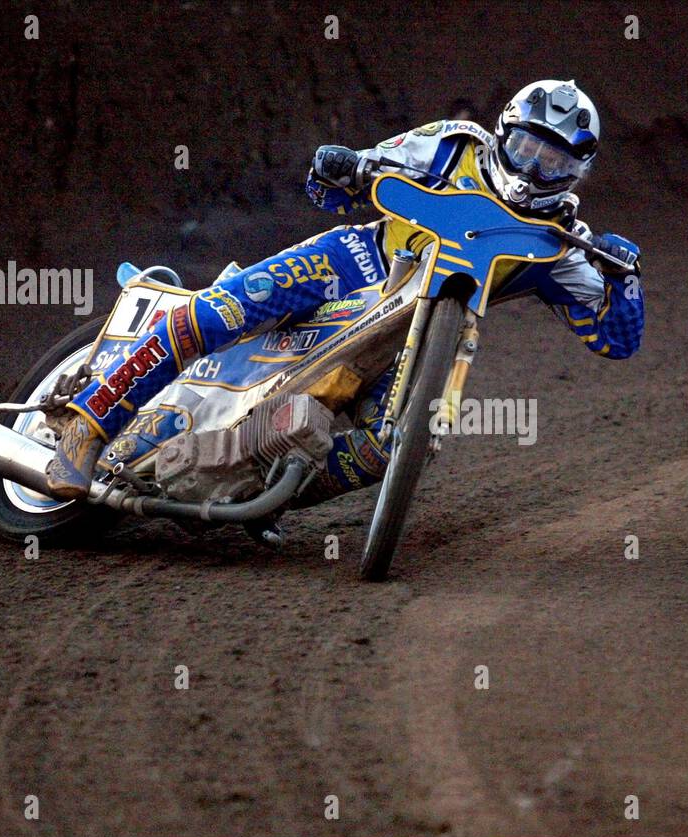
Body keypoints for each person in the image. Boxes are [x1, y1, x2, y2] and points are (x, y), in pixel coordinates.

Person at [46, 79, 646, 522]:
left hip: (433, 320)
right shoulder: (450, 144)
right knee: (217, 311)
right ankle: (86, 426)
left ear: (579, 170)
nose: (536, 166)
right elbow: (335, 188)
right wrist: (343, 165)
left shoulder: (563, 243)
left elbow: (614, 338)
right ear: (503, 131)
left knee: (392, 447)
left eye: (555, 159)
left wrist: (626, 278)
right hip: (354, 262)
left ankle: (256, 494)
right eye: (528, 147)